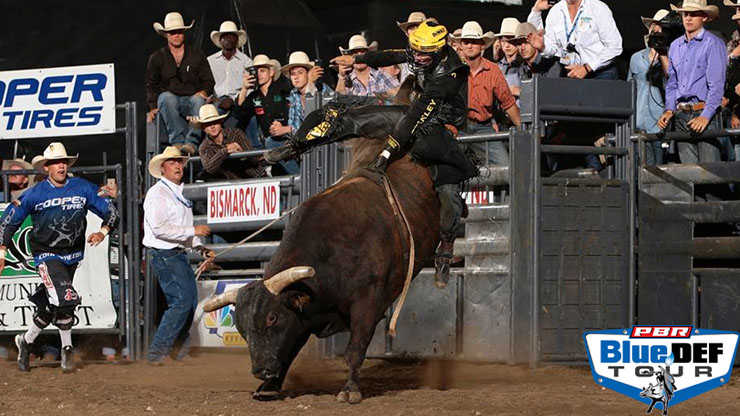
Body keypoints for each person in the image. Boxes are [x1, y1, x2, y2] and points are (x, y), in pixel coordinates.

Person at [266, 21, 478, 286]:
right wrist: (359, 60)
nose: (417, 57)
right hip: (417, 115)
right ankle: (298, 144)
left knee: (449, 195)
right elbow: (391, 56)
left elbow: (417, 114)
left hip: (441, 129)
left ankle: (445, 250)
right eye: (415, 51)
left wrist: (389, 149)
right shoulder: (422, 53)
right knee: (354, 117)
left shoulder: (451, 73)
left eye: (423, 54)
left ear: (437, 51)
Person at [0, 142, 119, 373]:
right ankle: (67, 349)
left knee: (51, 306)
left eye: (63, 161)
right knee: (66, 297)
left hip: (73, 255)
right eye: (56, 163)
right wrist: (2, 251)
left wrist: (103, 232)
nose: (61, 166)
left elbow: (110, 211)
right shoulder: (34, 194)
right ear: (46, 167)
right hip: (46, 255)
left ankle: (26, 341)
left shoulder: (82, 188)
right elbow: (9, 220)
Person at [143, 146, 214, 365]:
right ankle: (159, 352)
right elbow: (159, 228)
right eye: (172, 162)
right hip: (164, 253)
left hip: (175, 253)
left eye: (179, 162)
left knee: (187, 302)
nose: (178, 166)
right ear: (162, 168)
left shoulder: (176, 193)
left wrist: (200, 248)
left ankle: (177, 350)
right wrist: (194, 231)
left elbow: (181, 229)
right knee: (183, 301)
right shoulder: (157, 194)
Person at [657, 0, 726, 163]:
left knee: (710, 171)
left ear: (704, 17)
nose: (688, 18)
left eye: (693, 14)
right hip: (681, 115)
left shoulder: (713, 43)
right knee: (688, 172)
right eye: (685, 14)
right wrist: (669, 109)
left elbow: (716, 85)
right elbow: (672, 83)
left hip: (704, 113)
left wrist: (706, 116)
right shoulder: (675, 46)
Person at [145, 12, 215, 155]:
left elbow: (209, 80)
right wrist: (152, 107)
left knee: (198, 100)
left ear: (184, 33)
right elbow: (151, 84)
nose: (176, 35)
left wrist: (203, 92)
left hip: (192, 99)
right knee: (165, 97)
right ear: (166, 35)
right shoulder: (157, 57)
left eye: (179, 32)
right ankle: (177, 142)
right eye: (172, 32)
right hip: (170, 102)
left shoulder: (196, 54)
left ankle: (191, 143)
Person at [454, 21, 521, 166]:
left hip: (483, 127)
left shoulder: (493, 70)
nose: (470, 46)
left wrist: (523, 128)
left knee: (505, 166)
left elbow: (508, 103)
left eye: (474, 42)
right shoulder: (454, 70)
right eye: (466, 42)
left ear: (482, 45)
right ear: (461, 46)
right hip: (458, 126)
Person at [526, 0, 623, 80]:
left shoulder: (598, 8)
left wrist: (587, 68)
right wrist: (543, 47)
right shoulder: (555, 12)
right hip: (570, 73)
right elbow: (554, 49)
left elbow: (615, 47)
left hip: (601, 73)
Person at [234, 54, 295, 175]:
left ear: (271, 72)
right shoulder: (254, 96)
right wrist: (244, 89)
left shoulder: (283, 88)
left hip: (289, 138)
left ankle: (300, 177)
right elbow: (240, 113)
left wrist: (283, 126)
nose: (258, 74)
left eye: (262, 70)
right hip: (270, 143)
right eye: (256, 71)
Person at [628, 10, 673, 166]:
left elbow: (674, 80)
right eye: (654, 28)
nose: (656, 31)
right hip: (639, 123)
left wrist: (663, 54)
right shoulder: (636, 58)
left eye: (660, 28)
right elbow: (629, 89)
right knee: (642, 167)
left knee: (660, 167)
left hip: (662, 123)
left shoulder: (674, 56)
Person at [196, 104, 266, 179]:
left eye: (215, 122)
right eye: (208, 124)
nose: (212, 127)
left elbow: (255, 159)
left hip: (256, 178)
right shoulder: (204, 147)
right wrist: (225, 151)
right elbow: (209, 169)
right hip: (231, 183)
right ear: (203, 128)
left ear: (220, 122)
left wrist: (242, 153)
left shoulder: (236, 134)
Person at [207, 21, 253, 118]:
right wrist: (215, 100)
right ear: (220, 40)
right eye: (225, 36)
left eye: (232, 36)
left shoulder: (246, 62)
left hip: (239, 101)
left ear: (237, 39)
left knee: (249, 117)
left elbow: (251, 87)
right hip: (216, 101)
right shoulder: (210, 61)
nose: (228, 39)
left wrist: (235, 99)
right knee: (210, 114)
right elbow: (205, 83)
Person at [335, 35, 399, 98]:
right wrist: (341, 77)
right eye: (354, 52)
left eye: (363, 52)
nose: (359, 57)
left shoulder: (381, 76)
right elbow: (338, 100)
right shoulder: (346, 80)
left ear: (369, 55)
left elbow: (400, 96)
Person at [492, 18, 524, 99]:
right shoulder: (497, 67)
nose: (506, 45)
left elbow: (538, 92)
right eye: (503, 41)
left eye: (511, 41)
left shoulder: (526, 66)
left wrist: (517, 91)